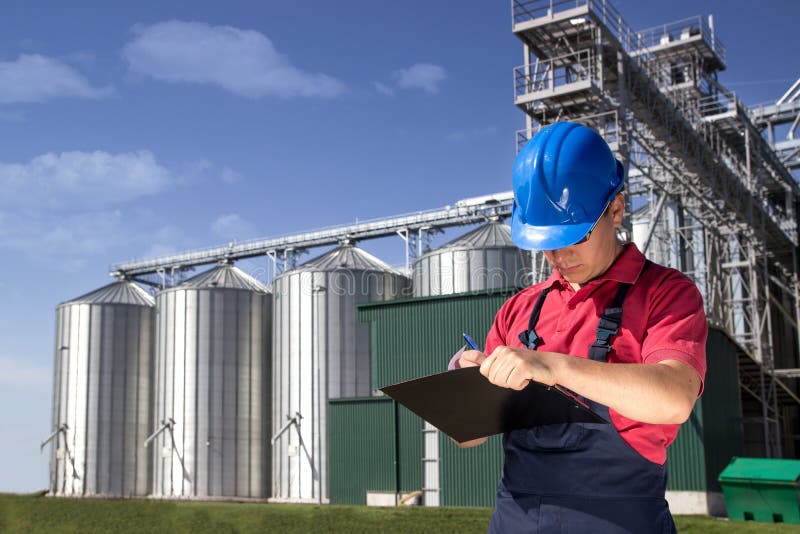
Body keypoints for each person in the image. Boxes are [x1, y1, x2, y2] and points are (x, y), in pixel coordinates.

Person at [453, 122, 707, 533]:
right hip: (516, 521)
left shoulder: (665, 293)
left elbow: (675, 398)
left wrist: (552, 367)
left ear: (617, 210)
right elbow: (469, 438)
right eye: (546, 241)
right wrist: (461, 388)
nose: (558, 255)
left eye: (574, 236)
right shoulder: (519, 309)